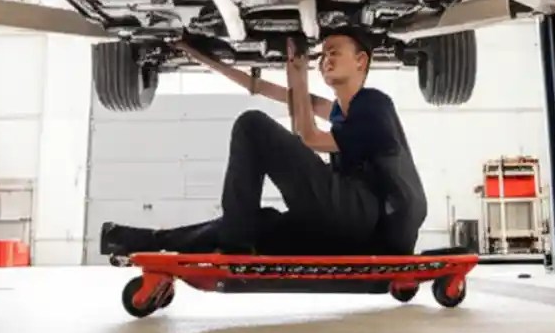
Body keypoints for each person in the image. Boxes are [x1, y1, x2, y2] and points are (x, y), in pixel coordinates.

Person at [99, 27, 426, 257]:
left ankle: (235, 245)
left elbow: (308, 137)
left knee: (252, 125)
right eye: (322, 54)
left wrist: (299, 74)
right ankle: (144, 241)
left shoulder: (374, 103)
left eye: (334, 52)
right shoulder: (344, 114)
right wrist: (195, 53)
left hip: (368, 223)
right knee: (259, 221)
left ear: (361, 61)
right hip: (347, 234)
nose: (325, 58)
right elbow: (291, 112)